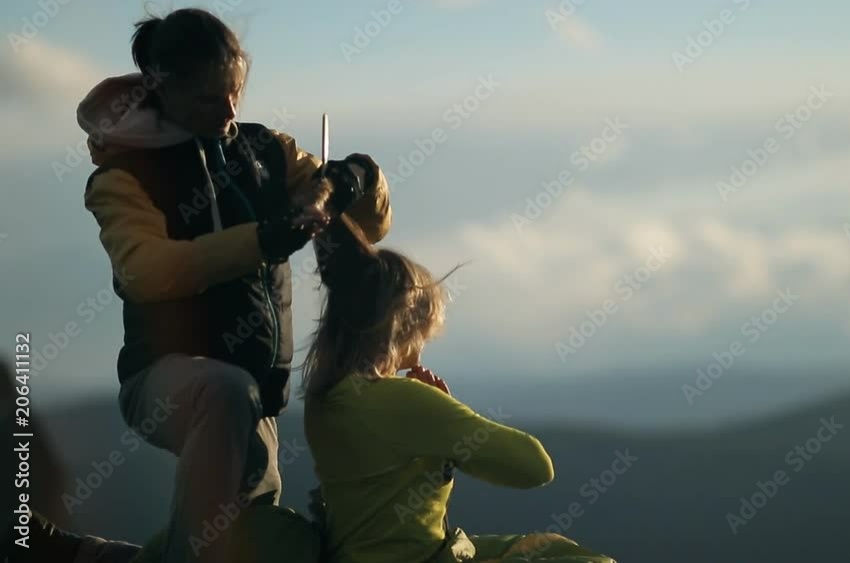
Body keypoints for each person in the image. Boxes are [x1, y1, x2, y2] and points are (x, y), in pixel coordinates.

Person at [76, 8, 391, 563]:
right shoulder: (122, 176)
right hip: (164, 382)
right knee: (223, 395)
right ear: (161, 91)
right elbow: (145, 271)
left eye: (235, 93)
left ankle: (84, 556)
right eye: (208, 98)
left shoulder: (266, 151)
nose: (227, 111)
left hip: (257, 394)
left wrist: (347, 181)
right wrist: (265, 239)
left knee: (252, 542)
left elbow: (371, 222)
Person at [299, 214, 615, 563]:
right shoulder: (403, 400)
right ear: (402, 323)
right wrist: (446, 419)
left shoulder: (324, 399)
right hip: (423, 557)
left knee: (550, 545)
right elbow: (535, 466)